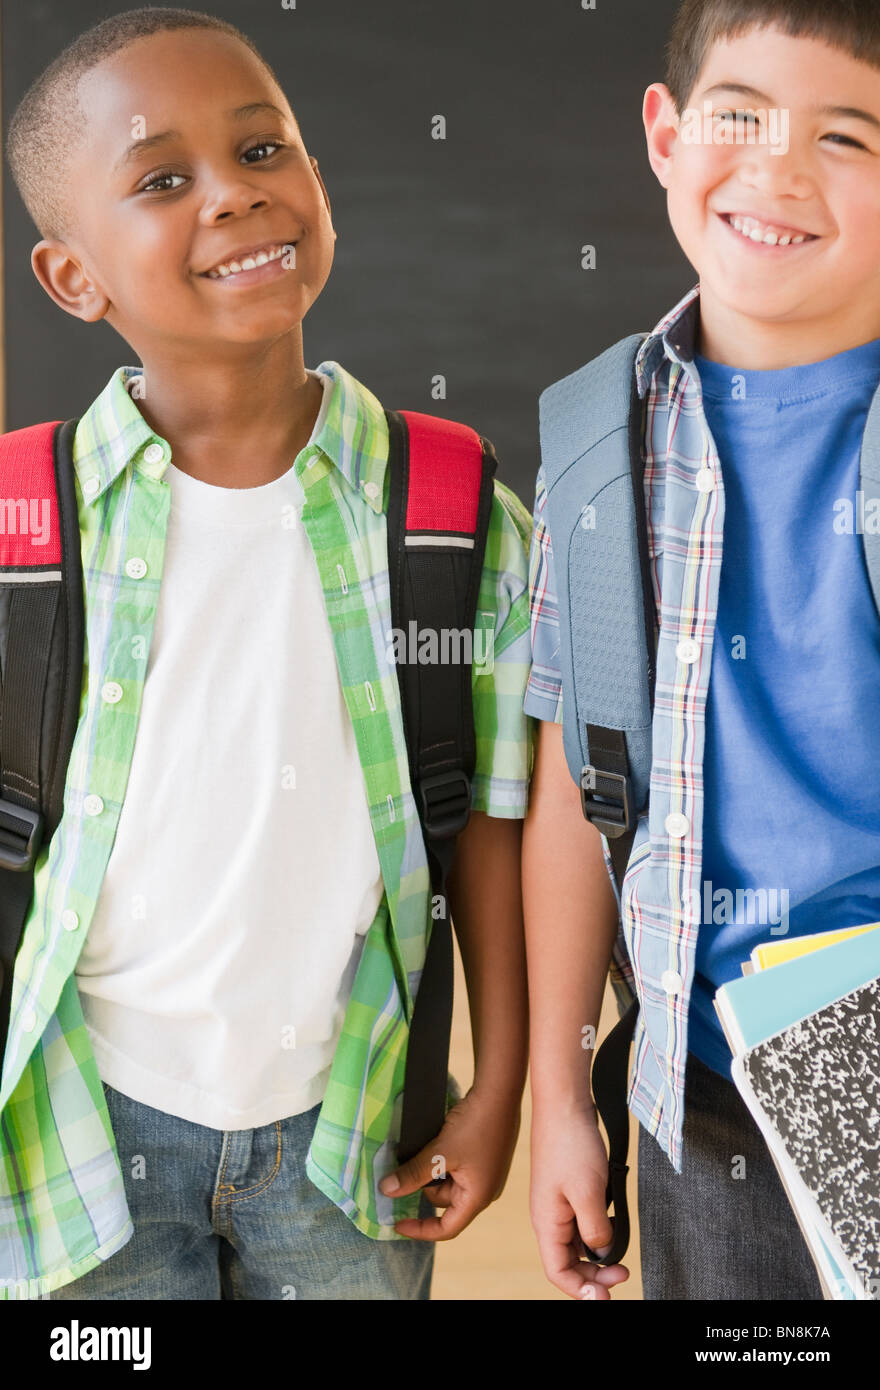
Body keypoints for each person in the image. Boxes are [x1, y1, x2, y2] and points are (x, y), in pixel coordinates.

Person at [0, 6, 534, 1301]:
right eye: (164, 179)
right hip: (78, 1130)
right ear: (76, 276)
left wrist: (504, 1079)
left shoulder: (452, 517)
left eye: (264, 151)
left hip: (349, 1134)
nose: (236, 196)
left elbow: (490, 828)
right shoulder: (24, 524)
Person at [523, 0, 880, 1301]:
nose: (779, 168)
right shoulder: (595, 440)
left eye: (846, 134)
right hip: (699, 1082)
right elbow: (583, 777)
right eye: (742, 116)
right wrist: (565, 1091)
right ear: (668, 135)